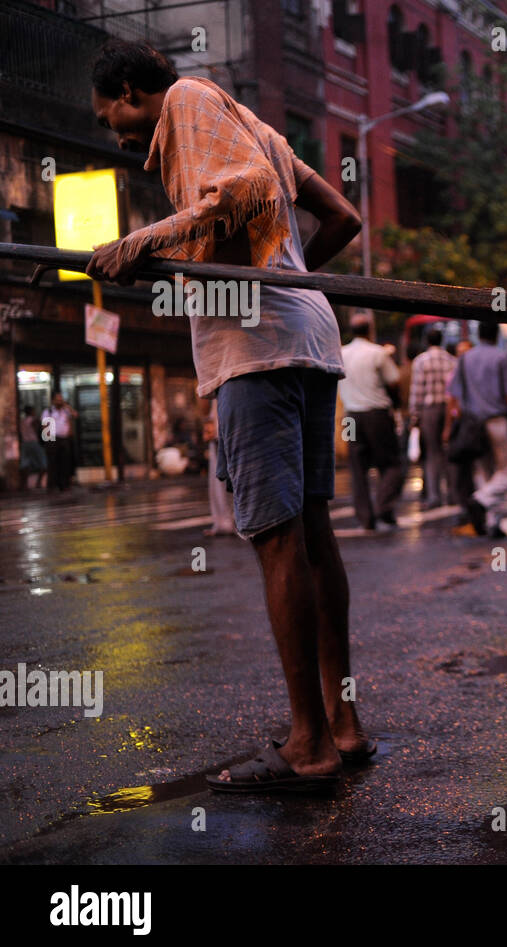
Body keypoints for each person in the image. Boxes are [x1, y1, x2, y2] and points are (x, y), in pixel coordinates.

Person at [86, 39, 373, 791]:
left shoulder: (186, 102)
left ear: (125, 89)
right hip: (308, 335)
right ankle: (342, 723)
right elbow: (341, 215)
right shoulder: (256, 123)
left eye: (110, 114)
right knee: (312, 532)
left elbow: (240, 191)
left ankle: (307, 742)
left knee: (279, 542)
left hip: (257, 350)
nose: (115, 134)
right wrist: (293, 280)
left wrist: (139, 242)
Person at [442, 320, 507, 536]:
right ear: (495, 335)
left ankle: (492, 523)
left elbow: (453, 396)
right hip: (497, 422)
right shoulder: (501, 357)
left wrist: (449, 426)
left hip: (473, 424)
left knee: (484, 472)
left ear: (478, 336)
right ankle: (480, 501)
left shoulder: (464, 359)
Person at [339, 312, 404, 531]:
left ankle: (365, 517)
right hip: (376, 413)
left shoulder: (341, 353)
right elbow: (394, 381)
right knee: (392, 464)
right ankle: (383, 507)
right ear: (369, 330)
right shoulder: (378, 353)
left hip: (351, 417)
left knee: (357, 469)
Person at [408, 325, 457, 507]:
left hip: (429, 410)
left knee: (431, 453)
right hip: (448, 408)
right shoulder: (451, 360)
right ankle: (453, 494)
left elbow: (417, 391)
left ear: (427, 341)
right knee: (449, 451)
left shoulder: (420, 361)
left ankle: (434, 496)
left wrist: (414, 415)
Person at [199, 395, 236, 535]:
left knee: (219, 478)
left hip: (218, 424)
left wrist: (207, 421)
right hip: (232, 421)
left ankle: (224, 521)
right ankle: (233, 520)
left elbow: (203, 397)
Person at [41, 392, 78, 492]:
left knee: (65, 463)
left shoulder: (65, 411)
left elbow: (75, 415)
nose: (59, 401)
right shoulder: (48, 411)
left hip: (64, 439)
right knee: (53, 464)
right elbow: (44, 427)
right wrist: (48, 442)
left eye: (61, 399)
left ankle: (64, 484)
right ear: (53, 401)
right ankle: (52, 486)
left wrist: (67, 406)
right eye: (57, 399)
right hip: (53, 440)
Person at [18, 406, 47, 490]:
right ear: (31, 411)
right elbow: (40, 429)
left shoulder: (22, 421)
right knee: (44, 463)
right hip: (34, 442)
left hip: (25, 443)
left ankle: (24, 484)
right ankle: (38, 482)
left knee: (25, 464)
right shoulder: (34, 420)